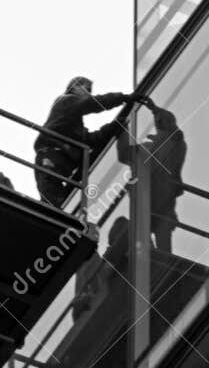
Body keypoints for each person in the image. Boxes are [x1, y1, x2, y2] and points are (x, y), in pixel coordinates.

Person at [34, 77, 131, 208]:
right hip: (51, 158)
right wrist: (122, 98)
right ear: (74, 87)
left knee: (59, 204)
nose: (89, 94)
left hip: (59, 162)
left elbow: (88, 140)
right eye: (87, 89)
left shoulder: (73, 122)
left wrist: (112, 127)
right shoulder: (66, 101)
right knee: (53, 205)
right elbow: (92, 103)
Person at [115, 96, 186, 254]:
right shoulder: (146, 148)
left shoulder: (175, 143)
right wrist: (122, 128)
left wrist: (155, 110)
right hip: (145, 203)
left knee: (163, 247)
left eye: (160, 122)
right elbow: (124, 153)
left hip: (162, 204)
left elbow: (173, 133)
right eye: (158, 122)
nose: (159, 123)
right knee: (145, 246)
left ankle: (161, 264)